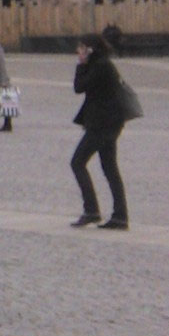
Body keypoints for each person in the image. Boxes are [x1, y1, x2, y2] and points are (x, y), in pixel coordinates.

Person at [70, 33, 131, 229]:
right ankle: (120, 216)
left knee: (77, 162)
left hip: (102, 124)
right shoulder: (101, 64)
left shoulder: (101, 66)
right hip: (108, 123)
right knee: (110, 168)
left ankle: (92, 210)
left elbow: (79, 87)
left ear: (90, 49)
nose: (78, 52)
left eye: (81, 48)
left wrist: (80, 65)